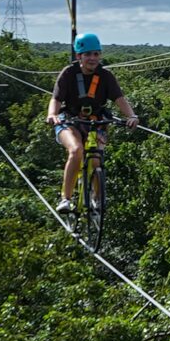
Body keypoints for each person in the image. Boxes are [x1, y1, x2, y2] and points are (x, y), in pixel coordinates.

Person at [46, 32, 138, 213]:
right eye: (88, 54)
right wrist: (52, 114)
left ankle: (97, 198)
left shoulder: (105, 76)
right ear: (79, 56)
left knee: (96, 160)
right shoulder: (68, 73)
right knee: (76, 150)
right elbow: (56, 98)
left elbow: (119, 99)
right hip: (70, 119)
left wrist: (131, 116)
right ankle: (66, 198)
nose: (92, 58)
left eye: (96, 54)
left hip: (97, 121)